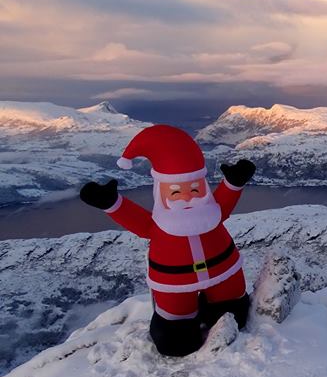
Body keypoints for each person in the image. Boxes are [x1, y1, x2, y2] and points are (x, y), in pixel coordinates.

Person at [80, 124, 256, 357]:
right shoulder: (161, 224)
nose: (187, 197)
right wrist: (112, 204)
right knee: (176, 332)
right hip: (175, 282)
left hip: (222, 272)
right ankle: (177, 328)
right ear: (161, 192)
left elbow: (221, 206)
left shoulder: (210, 212)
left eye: (195, 190)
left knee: (232, 307)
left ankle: (225, 308)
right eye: (175, 192)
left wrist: (233, 184)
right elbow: (138, 222)